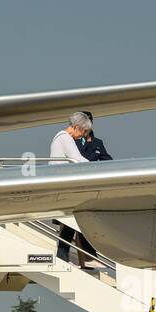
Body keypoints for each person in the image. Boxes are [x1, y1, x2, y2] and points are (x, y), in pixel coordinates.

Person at [49, 112, 101, 265]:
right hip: (63, 186)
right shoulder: (64, 138)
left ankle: (64, 256)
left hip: (63, 185)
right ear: (77, 127)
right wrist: (99, 168)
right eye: (84, 131)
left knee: (72, 221)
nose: (84, 135)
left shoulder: (62, 138)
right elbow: (78, 160)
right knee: (76, 219)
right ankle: (87, 256)